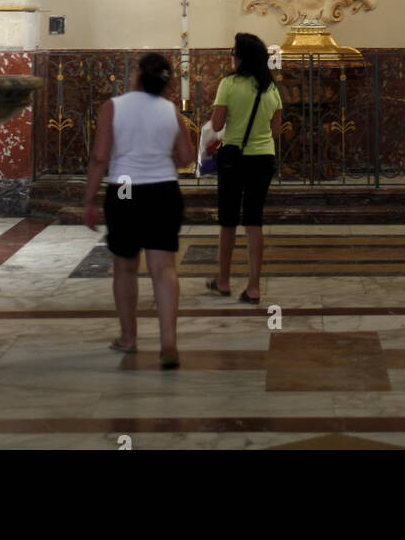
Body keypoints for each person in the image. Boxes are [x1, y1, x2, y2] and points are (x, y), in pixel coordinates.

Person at [84, 52, 194, 368]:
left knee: (125, 267)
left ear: (136, 75)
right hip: (163, 190)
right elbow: (186, 155)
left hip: (126, 188)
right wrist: (160, 160)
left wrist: (89, 200)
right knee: (164, 268)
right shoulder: (171, 110)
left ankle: (129, 338)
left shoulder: (113, 107)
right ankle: (169, 342)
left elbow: (101, 157)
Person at [208, 33, 283, 304]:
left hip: (233, 159)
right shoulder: (271, 87)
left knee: (228, 221)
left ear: (240, 57)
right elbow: (275, 131)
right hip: (262, 158)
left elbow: (216, 126)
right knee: (254, 221)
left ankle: (224, 280)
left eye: (233, 52)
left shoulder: (228, 84)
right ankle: (253, 287)